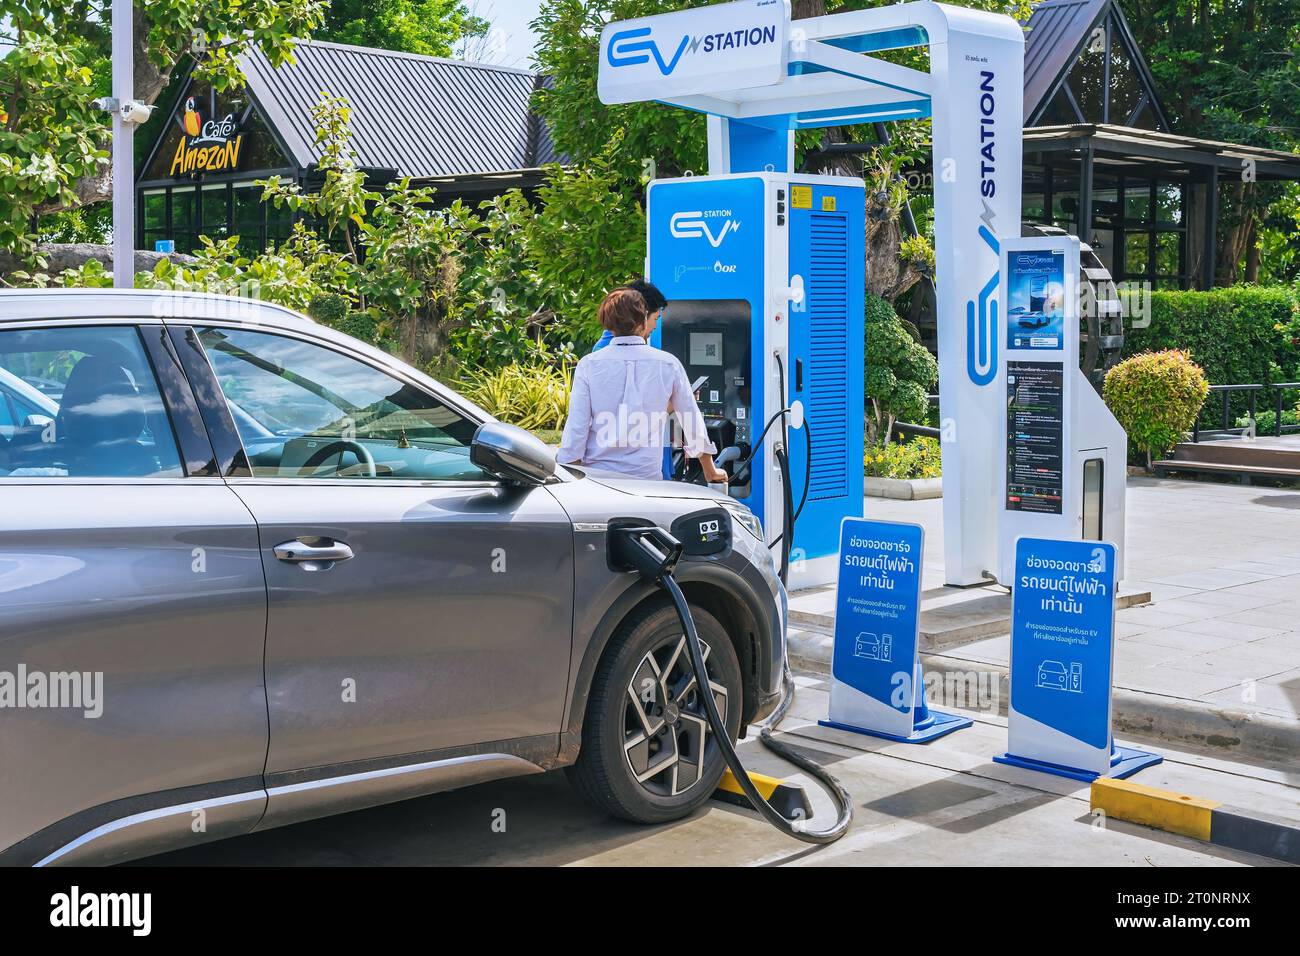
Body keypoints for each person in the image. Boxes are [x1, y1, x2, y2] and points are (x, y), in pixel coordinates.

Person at [558, 288, 728, 484]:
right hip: (646, 480)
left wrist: (572, 475)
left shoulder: (589, 364)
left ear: (608, 324)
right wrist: (710, 471)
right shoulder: (668, 364)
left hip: (598, 480)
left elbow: (576, 427)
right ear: (643, 320)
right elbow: (691, 418)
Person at [591, 278, 667, 353]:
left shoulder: (599, 349)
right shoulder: (604, 349)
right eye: (655, 319)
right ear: (642, 315)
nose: (655, 326)